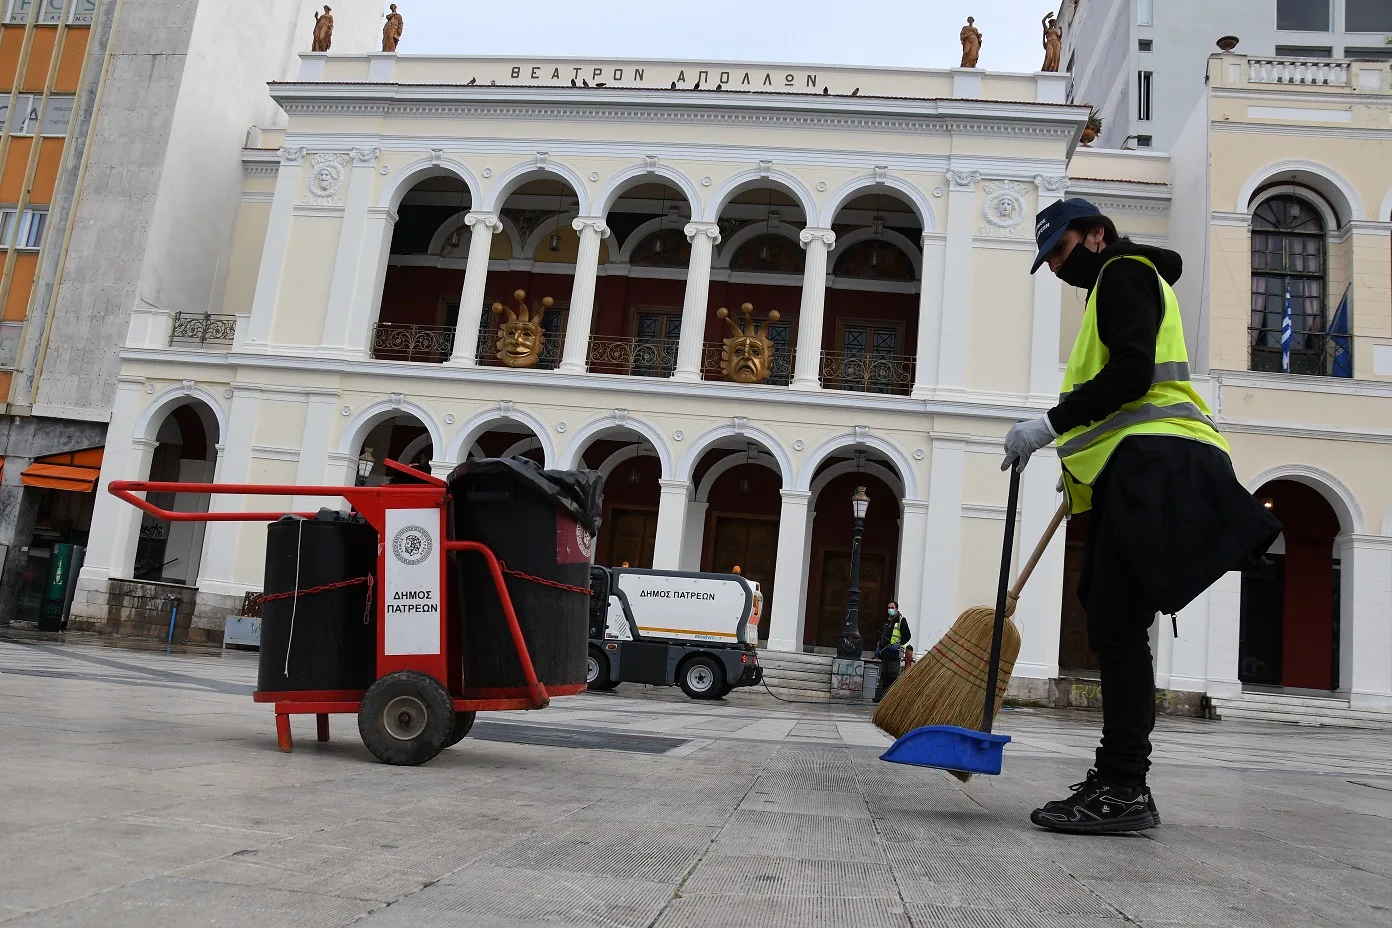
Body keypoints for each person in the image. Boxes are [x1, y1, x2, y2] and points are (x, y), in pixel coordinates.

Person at [1004, 198, 1280, 834]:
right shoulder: (1115, 281)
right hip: (1134, 467)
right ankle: (1119, 778)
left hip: (1157, 463)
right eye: (1047, 263)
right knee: (1107, 612)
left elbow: (1132, 376)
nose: (1056, 269)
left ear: (1096, 235)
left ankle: (1124, 783)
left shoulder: (1124, 274)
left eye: (1062, 253)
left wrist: (1048, 426)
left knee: (1116, 620)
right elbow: (1113, 396)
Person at [873, 602, 911, 702]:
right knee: (884, 674)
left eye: (892, 608)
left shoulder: (901, 620)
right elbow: (883, 636)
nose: (890, 609)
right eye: (889, 608)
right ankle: (881, 697)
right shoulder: (887, 621)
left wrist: (898, 644)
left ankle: (891, 698)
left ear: (896, 609)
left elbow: (907, 635)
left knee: (893, 675)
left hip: (894, 653)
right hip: (885, 653)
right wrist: (878, 647)